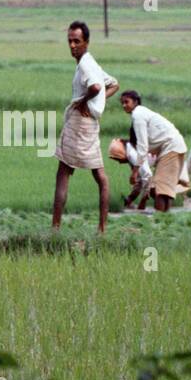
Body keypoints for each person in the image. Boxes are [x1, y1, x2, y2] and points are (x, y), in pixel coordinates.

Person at [52, 20, 118, 233]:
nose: (72, 45)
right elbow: (114, 84)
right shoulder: (92, 62)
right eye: (69, 41)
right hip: (91, 124)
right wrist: (97, 102)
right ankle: (102, 228)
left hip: (79, 124)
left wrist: (82, 102)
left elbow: (96, 87)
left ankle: (55, 228)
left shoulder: (85, 65)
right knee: (100, 176)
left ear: (86, 42)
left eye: (77, 41)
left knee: (63, 173)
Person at [119, 90, 187, 213]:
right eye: (122, 103)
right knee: (165, 190)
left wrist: (134, 172)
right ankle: (164, 220)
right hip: (173, 146)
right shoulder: (142, 112)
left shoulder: (137, 115)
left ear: (135, 102)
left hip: (171, 147)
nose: (124, 105)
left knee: (159, 187)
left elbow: (142, 146)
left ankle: (159, 222)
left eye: (126, 102)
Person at [107, 137, 154, 210]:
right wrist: (129, 199)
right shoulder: (130, 153)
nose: (119, 162)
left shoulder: (132, 155)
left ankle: (162, 211)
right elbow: (139, 181)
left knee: (159, 191)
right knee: (152, 189)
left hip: (164, 158)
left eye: (118, 159)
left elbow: (147, 175)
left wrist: (143, 201)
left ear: (122, 153)